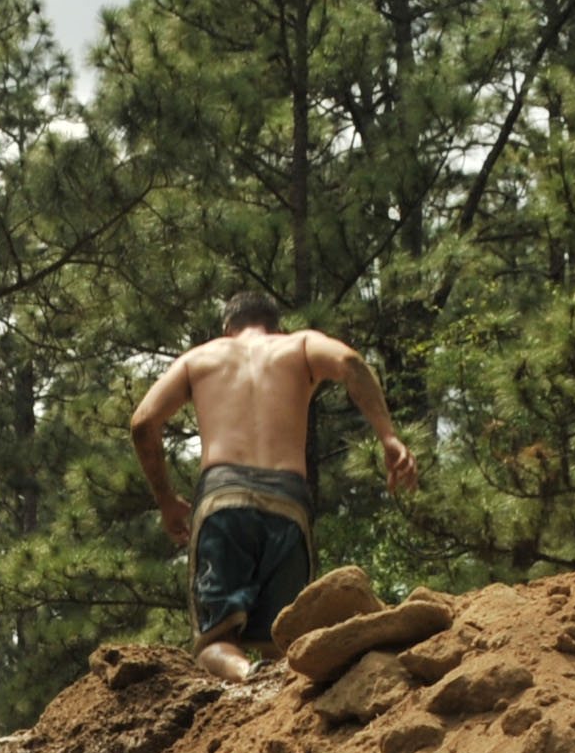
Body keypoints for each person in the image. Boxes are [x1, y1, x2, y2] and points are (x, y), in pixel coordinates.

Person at [128, 291, 420, 683]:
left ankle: (245, 673)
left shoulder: (199, 358)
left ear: (227, 329)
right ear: (275, 325)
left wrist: (166, 500)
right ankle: (271, 688)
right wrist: (388, 437)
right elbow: (351, 362)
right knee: (283, 639)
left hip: (223, 500)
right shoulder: (299, 345)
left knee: (214, 641)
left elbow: (142, 423)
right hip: (287, 503)